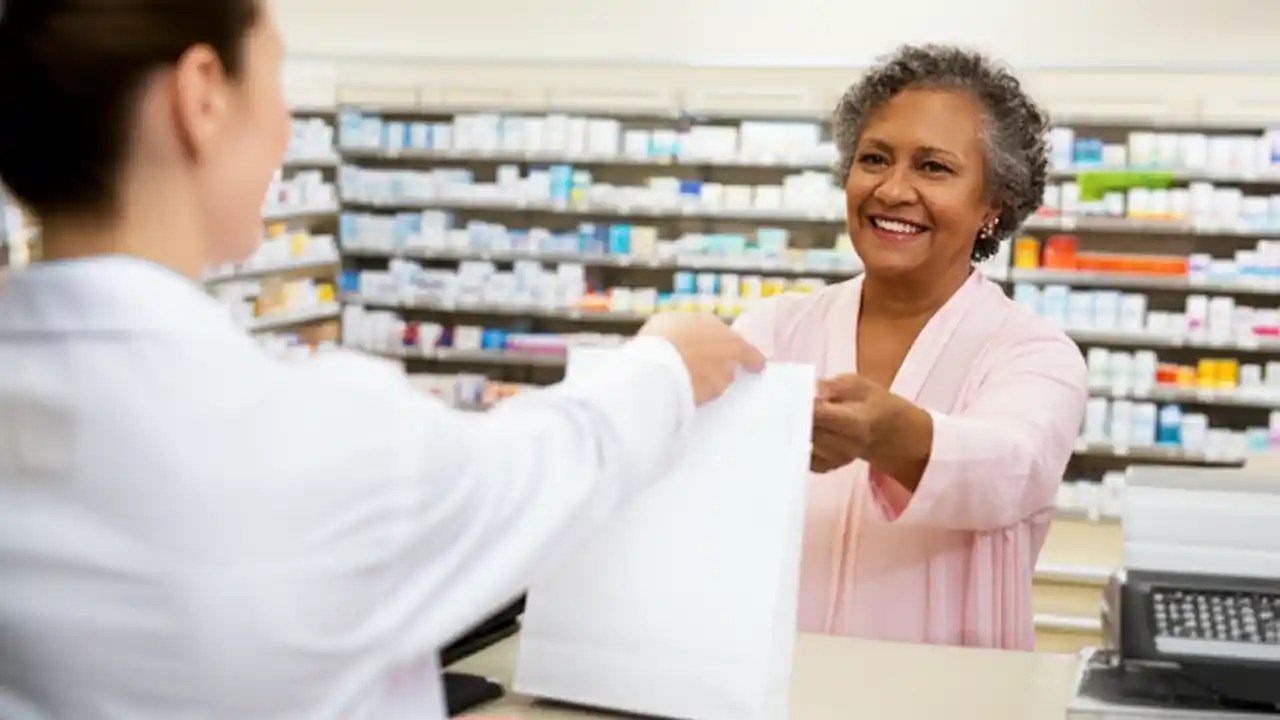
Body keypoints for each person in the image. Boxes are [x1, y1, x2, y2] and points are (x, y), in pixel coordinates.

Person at [0, 2, 765, 718]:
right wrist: (665, 361)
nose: (286, 124)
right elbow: (550, 463)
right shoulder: (308, 437)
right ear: (203, 96)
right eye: (275, 78)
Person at [733, 44, 1088, 651]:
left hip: (949, 692)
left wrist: (887, 433)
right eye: (874, 159)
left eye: (934, 168)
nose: (893, 190)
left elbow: (1011, 471)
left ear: (993, 205)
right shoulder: (775, 328)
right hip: (773, 680)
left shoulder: (1032, 352)